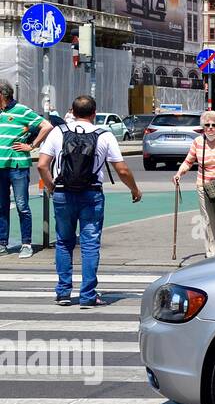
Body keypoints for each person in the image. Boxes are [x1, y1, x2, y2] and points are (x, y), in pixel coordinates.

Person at [36, 95, 141, 306]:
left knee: (64, 242)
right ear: (94, 113)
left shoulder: (58, 132)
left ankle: (63, 293)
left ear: (72, 113)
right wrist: (134, 189)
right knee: (90, 244)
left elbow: (42, 165)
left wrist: (51, 188)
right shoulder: (104, 135)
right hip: (91, 194)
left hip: (63, 193)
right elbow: (121, 169)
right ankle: (87, 296)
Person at [173, 111, 215, 257]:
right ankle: (211, 251)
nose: (210, 128)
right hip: (204, 185)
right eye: (207, 125)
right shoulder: (198, 142)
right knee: (207, 219)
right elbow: (188, 161)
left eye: (214, 125)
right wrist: (179, 174)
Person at [0, 79, 53, 259]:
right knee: (1, 206)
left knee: (22, 205)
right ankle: (2, 243)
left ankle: (26, 243)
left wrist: (32, 145)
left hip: (17, 166)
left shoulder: (21, 110)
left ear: (2, 95)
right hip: (1, 166)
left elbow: (47, 126)